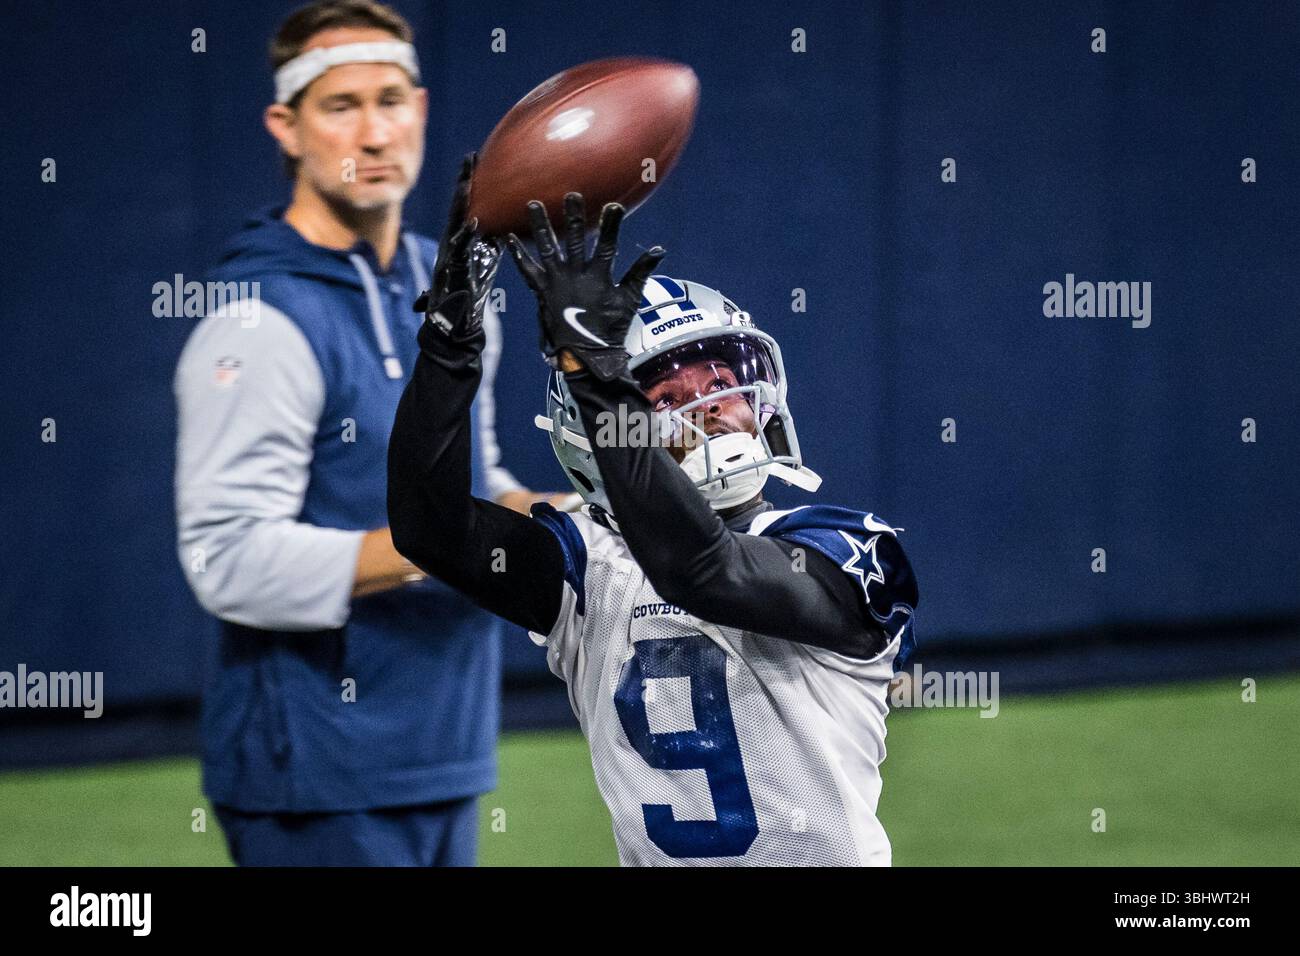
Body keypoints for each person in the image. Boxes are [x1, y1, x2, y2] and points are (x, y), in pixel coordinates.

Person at [387, 180, 921, 865]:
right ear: (592, 436)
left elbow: (705, 572)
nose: (711, 408)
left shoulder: (847, 547)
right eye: (668, 395)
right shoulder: (590, 566)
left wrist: (601, 379)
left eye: (722, 383)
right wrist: (449, 349)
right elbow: (427, 527)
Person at [173, 0, 557, 866]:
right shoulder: (257, 320)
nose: (376, 132)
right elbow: (227, 559)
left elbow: (481, 483)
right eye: (341, 106)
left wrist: (562, 516)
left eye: (392, 99)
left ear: (421, 110)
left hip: (448, 749)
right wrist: (446, 541)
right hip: (313, 773)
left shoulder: (449, 282)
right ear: (287, 127)